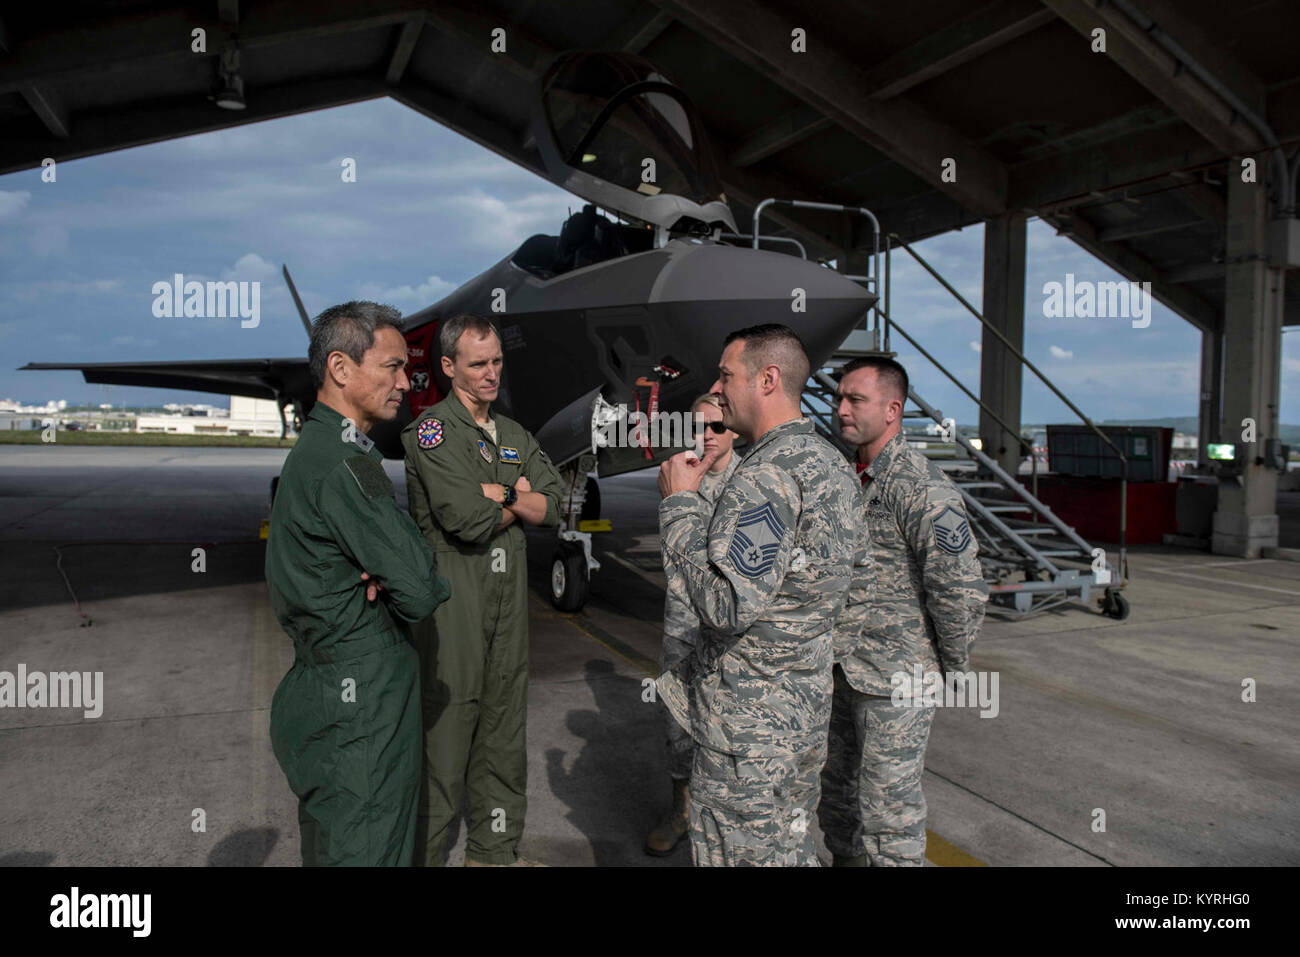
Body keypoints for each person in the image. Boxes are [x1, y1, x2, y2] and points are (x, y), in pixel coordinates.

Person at [655, 324, 862, 866]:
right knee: (789, 852)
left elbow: (726, 605)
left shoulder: (765, 475)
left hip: (747, 731)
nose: (717, 390)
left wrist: (680, 505)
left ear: (767, 379)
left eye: (726, 376)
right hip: (801, 719)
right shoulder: (832, 465)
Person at [266, 301, 451, 866]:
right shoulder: (346, 465)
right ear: (341, 369)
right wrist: (400, 562)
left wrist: (387, 563)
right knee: (369, 848)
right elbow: (421, 588)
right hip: (361, 701)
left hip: (327, 688)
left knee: (336, 845)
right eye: (392, 367)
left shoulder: (319, 453)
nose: (405, 382)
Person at [401, 314, 562, 866]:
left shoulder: (514, 434)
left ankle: (492, 854)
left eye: (496, 361)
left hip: (507, 614)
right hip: (454, 611)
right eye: (478, 364)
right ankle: (421, 855)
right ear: (448, 367)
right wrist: (517, 501)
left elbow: (554, 503)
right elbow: (465, 519)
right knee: (443, 748)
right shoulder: (433, 433)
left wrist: (504, 497)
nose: (492, 373)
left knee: (502, 741)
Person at [819, 356, 988, 866]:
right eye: (839, 397)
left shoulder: (922, 488)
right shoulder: (847, 475)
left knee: (888, 818)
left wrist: (951, 669)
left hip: (899, 680)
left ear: (893, 409)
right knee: (838, 802)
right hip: (843, 669)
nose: (841, 409)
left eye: (855, 400)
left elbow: (959, 589)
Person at [645, 394, 739, 856]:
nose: (706, 437)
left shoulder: (752, 482)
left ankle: (721, 818)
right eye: (698, 427)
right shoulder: (679, 477)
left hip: (729, 632)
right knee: (676, 720)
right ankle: (681, 809)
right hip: (682, 624)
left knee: (726, 726)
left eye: (717, 428)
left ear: (735, 430)